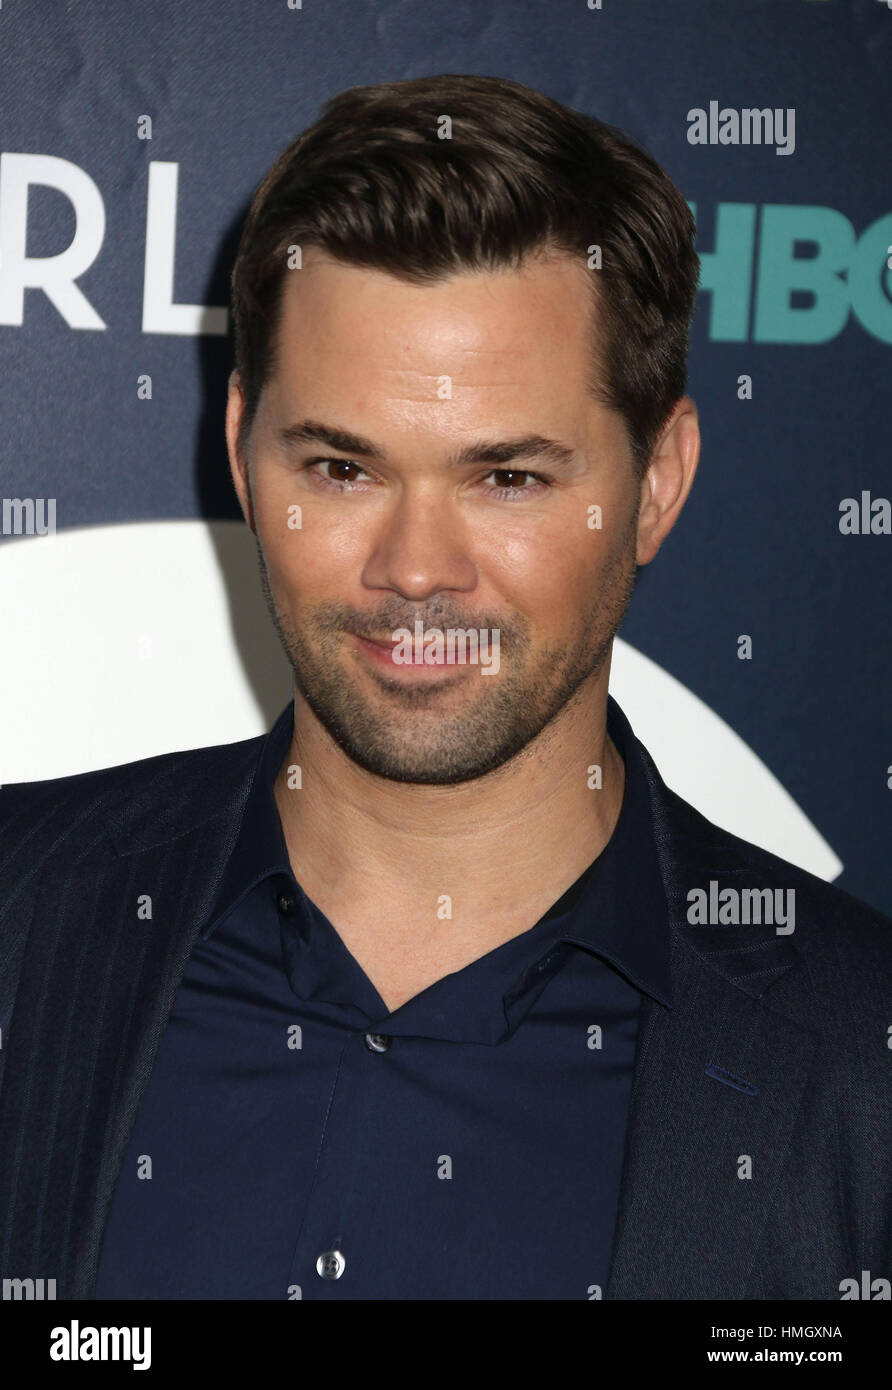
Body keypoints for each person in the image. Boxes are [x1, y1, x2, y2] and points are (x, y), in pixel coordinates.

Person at [1, 74, 889, 1302]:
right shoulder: (23, 912)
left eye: (508, 479)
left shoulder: (860, 1059)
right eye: (342, 465)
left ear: (659, 481)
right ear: (242, 451)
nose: (415, 568)